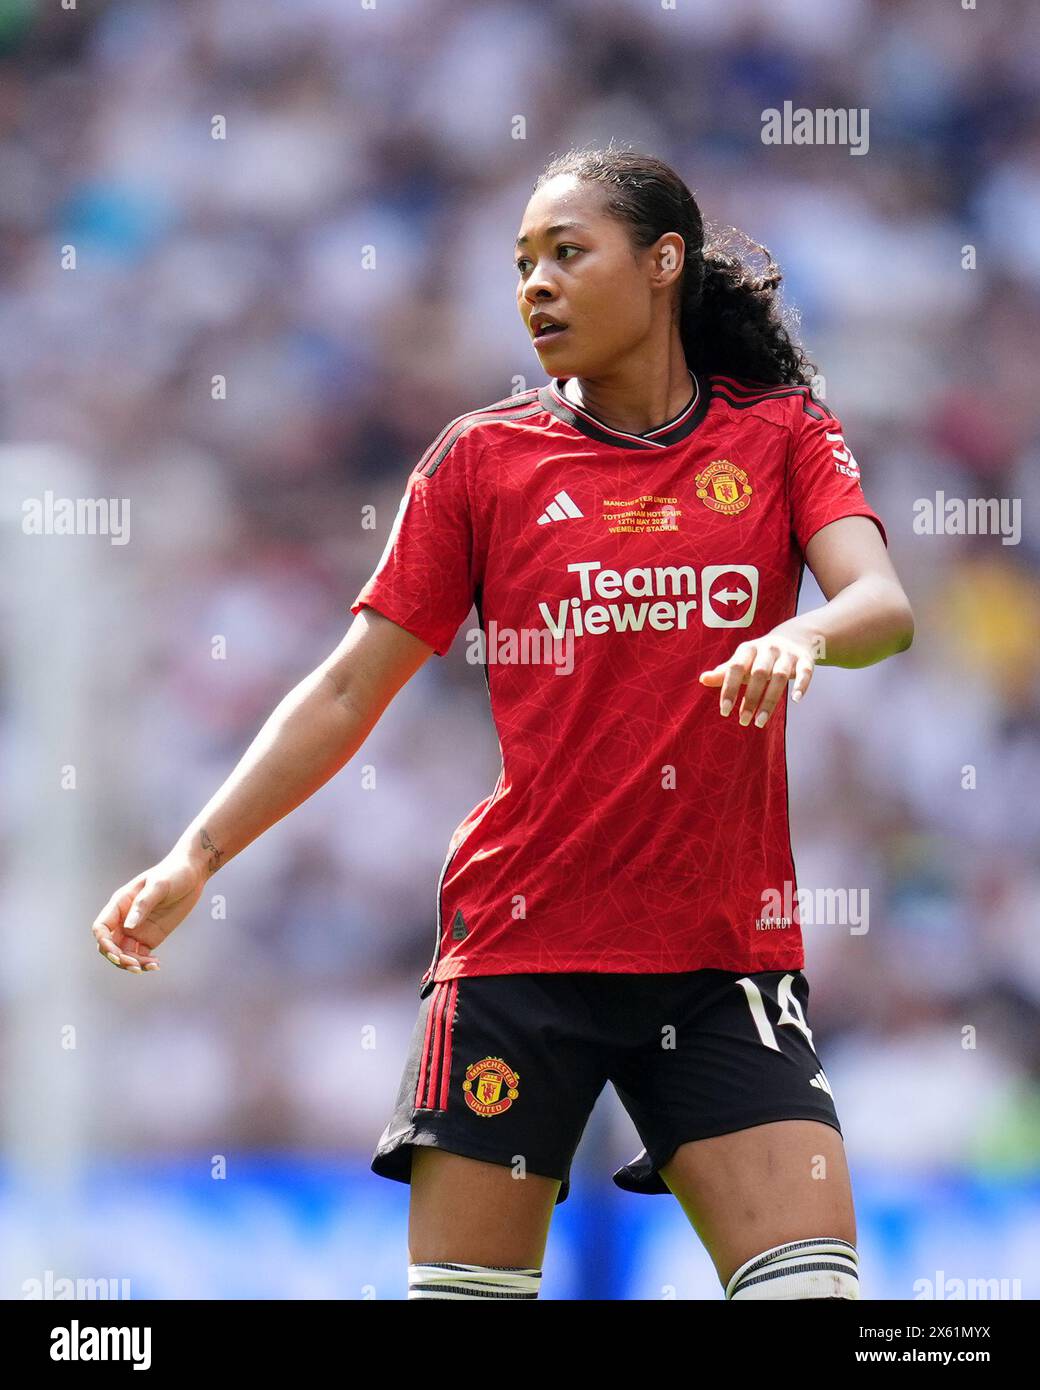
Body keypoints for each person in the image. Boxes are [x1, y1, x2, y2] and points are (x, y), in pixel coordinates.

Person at [91, 146, 914, 1302]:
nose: (534, 285)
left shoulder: (777, 434)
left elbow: (880, 605)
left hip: (720, 959)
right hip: (520, 956)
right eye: (521, 263)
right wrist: (198, 854)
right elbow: (344, 688)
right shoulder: (483, 461)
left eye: (566, 254)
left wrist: (803, 635)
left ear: (663, 261)